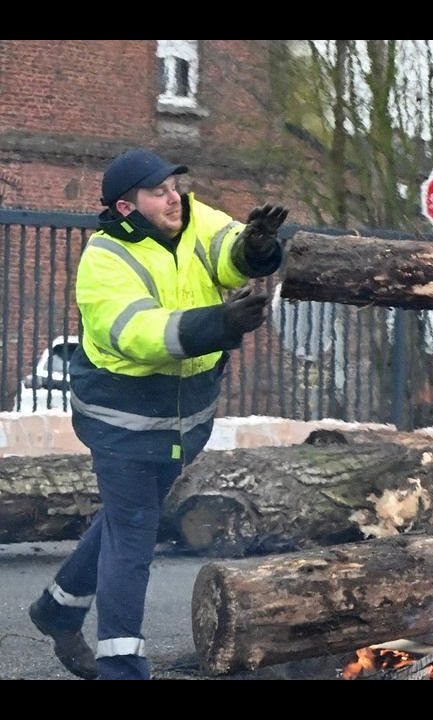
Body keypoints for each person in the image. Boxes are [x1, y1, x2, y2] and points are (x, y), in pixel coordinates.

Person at [26, 148, 288, 680]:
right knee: (134, 536)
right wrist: (219, 323)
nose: (175, 197)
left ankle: (56, 610)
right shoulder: (104, 261)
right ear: (126, 207)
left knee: (128, 518)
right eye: (159, 191)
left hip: (181, 423)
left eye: (174, 186)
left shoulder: (191, 219)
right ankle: (122, 664)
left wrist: (256, 248)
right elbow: (142, 335)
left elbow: (226, 252)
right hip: (121, 424)